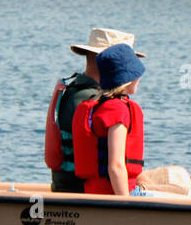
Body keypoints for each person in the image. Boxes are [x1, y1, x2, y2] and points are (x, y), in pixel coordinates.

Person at [45, 28, 145, 192]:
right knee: (176, 180)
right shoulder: (91, 101)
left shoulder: (77, 90)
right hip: (81, 189)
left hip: (77, 184)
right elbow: (114, 165)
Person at [71, 43, 148, 196]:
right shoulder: (117, 110)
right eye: (137, 74)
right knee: (188, 194)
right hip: (117, 195)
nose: (139, 79)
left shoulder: (95, 107)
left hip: (94, 191)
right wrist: (125, 205)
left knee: (177, 175)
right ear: (128, 78)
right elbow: (116, 166)